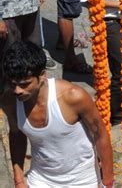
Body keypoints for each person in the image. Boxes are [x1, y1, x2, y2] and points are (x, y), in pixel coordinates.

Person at [1, 41, 114, 187]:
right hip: (41, 179)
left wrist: (108, 182)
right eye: (12, 84)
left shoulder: (74, 97)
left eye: (24, 84)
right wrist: (19, 179)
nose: (17, 91)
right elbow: (16, 136)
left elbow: (100, 135)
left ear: (42, 75)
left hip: (83, 180)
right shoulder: (9, 101)